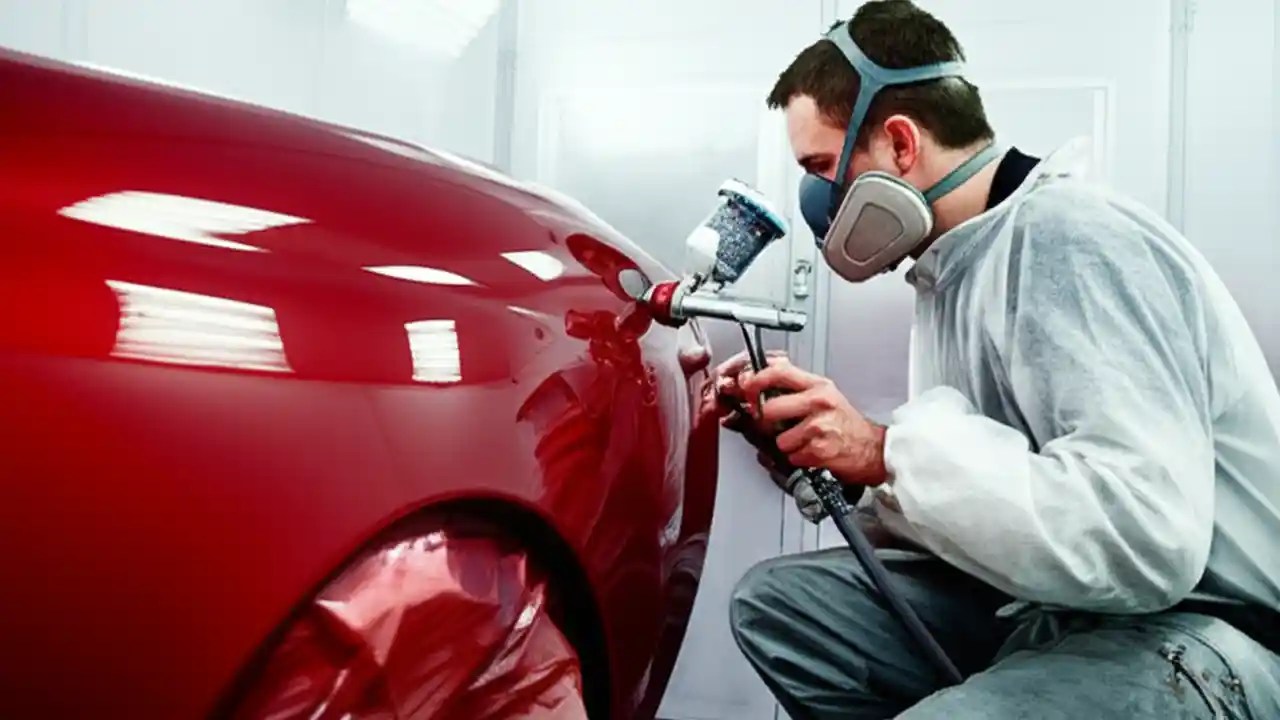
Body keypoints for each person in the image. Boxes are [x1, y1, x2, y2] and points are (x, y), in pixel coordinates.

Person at [717, 1, 1280, 718]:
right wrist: (845, 470)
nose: (815, 198)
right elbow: (1008, 499)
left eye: (822, 166)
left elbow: (1147, 541)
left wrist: (888, 452)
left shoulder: (1074, 242)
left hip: (1203, 637)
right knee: (781, 609)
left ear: (898, 143)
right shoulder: (953, 273)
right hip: (1068, 610)